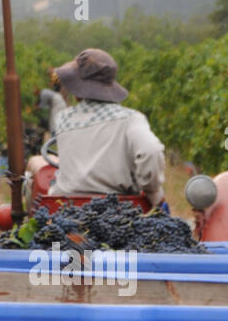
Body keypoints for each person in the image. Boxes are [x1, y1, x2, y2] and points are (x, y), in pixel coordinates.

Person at [47, 47, 166, 208]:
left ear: (78, 90)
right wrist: (151, 188)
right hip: (118, 207)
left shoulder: (63, 119)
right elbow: (151, 151)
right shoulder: (130, 120)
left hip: (67, 207)